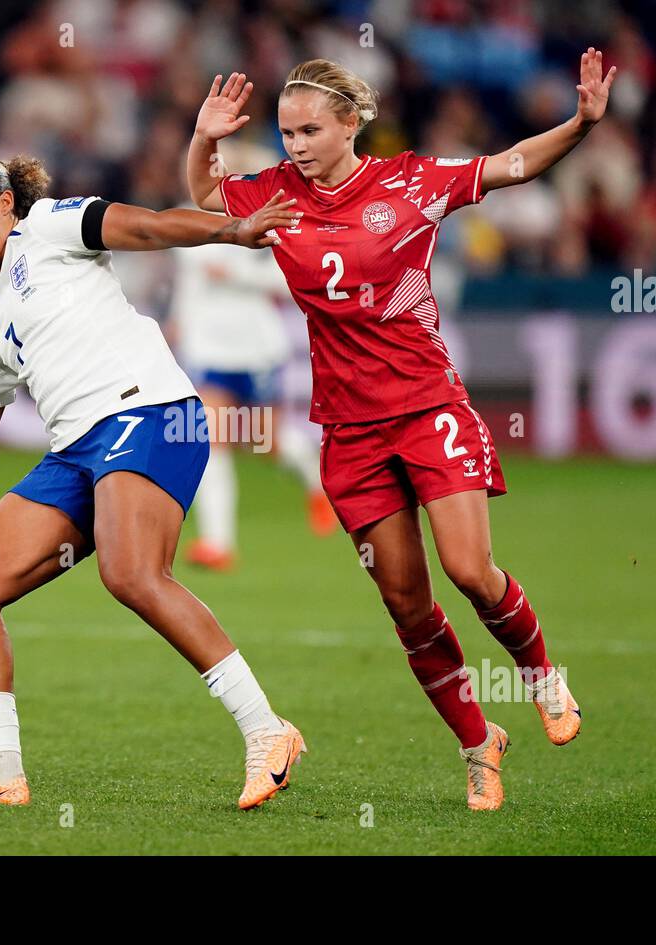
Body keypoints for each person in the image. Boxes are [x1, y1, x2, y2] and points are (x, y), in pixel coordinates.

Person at [187, 51, 616, 810]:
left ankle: (544, 678)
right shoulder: (276, 193)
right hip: (349, 433)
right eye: (286, 132)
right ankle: (479, 743)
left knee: (470, 570)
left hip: (428, 407)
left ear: (353, 123)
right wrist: (203, 139)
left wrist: (580, 124)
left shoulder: (411, 182)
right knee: (407, 606)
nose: (296, 146)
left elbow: (513, 165)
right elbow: (205, 199)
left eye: (311, 130)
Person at [0, 154, 306, 810]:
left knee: (130, 571)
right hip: (77, 451)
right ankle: (0, 770)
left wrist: (231, 229)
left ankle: (267, 729)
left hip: (150, 413)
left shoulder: (47, 226)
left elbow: (150, 227)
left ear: (6, 202)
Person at [169, 190, 334, 572]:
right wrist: (179, 318)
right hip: (209, 348)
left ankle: (317, 481)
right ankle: (217, 544)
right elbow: (190, 279)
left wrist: (237, 274)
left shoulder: (262, 217)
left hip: (256, 348)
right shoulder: (189, 218)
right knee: (210, 438)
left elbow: (288, 279)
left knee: (266, 442)